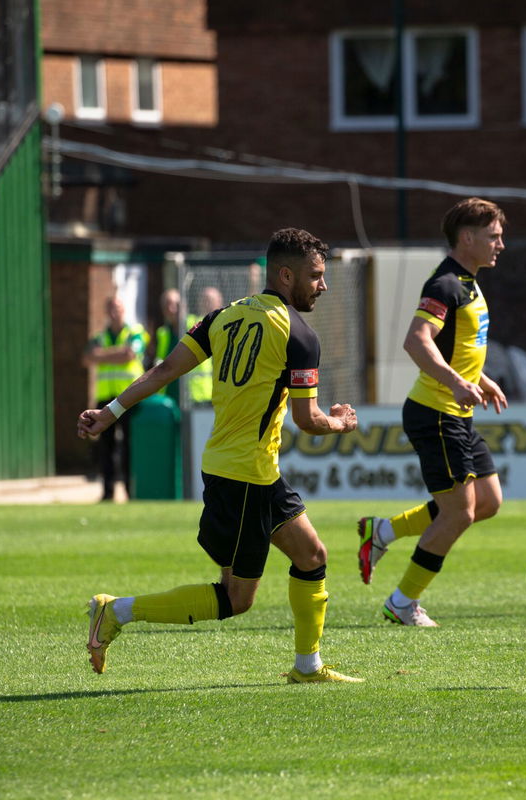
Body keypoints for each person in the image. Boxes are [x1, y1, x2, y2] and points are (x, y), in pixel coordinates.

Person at [79, 227, 362, 684]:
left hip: (240, 469)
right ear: (286, 275)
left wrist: (111, 411)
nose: (323, 285)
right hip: (247, 475)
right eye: (316, 276)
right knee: (236, 599)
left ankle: (307, 666)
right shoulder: (300, 334)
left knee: (311, 555)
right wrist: (342, 423)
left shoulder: (222, 317)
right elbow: (307, 420)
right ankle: (115, 612)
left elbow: (166, 369)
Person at [356, 197, 509, 627]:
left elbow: (456, 347)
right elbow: (417, 341)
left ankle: (382, 532)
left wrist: (478, 378)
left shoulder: (470, 282)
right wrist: (458, 383)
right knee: (459, 512)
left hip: (455, 413)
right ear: (467, 238)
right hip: (435, 414)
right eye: (493, 236)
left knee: (488, 502)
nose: (500, 244)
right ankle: (402, 603)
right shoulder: (445, 284)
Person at [82, 296, 149, 502]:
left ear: (124, 310)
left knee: (130, 446)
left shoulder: (135, 332)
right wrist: (116, 353)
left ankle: (131, 492)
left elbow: (130, 354)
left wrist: (102, 355)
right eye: (111, 308)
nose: (115, 312)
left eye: (118, 308)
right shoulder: (100, 336)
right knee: (106, 447)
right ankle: (108, 493)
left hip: (129, 396)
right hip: (105, 398)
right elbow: (87, 358)